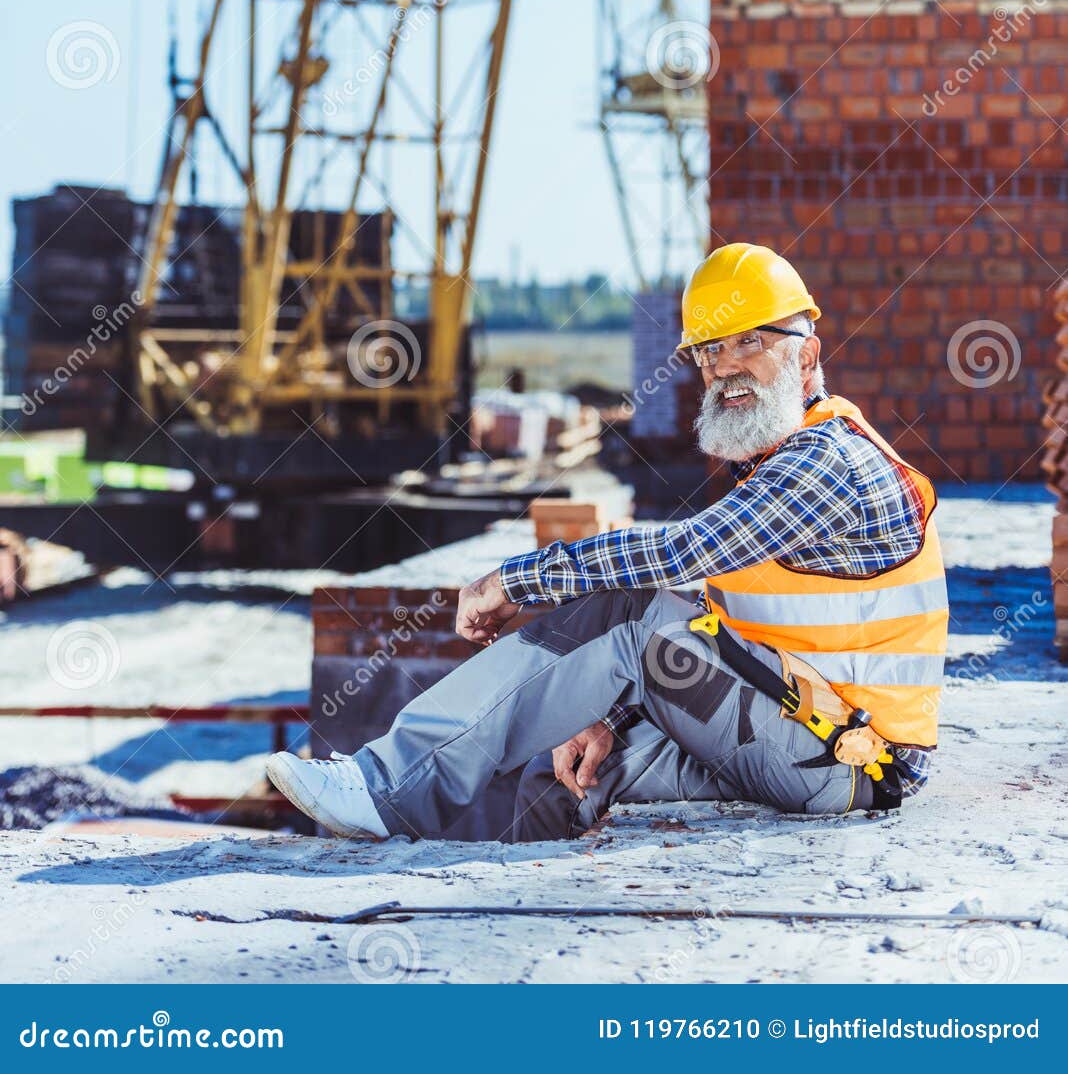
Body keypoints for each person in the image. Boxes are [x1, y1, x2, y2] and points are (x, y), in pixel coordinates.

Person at [267, 244, 948, 842]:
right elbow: (721, 631)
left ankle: (384, 787)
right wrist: (608, 707)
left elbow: (679, 556)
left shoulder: (829, 463)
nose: (725, 367)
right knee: (569, 767)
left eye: (750, 343)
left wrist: (517, 580)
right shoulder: (770, 468)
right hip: (804, 739)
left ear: (807, 359)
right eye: (710, 350)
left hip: (853, 764)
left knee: (627, 611)